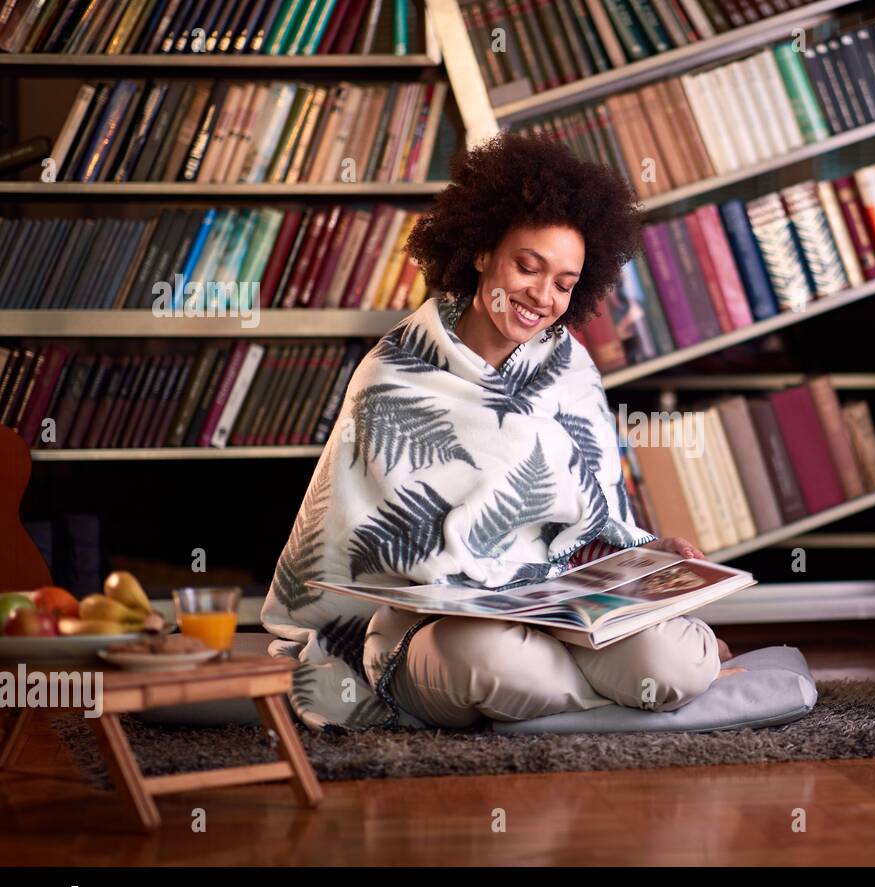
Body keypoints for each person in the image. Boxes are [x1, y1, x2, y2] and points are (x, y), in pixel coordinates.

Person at [261, 132, 737, 732]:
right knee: (501, 664)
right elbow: (362, 550)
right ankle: (621, 704)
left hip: (566, 611)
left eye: (564, 283)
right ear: (483, 252)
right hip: (440, 629)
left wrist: (644, 554)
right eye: (527, 266)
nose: (542, 296)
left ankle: (597, 697)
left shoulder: (572, 369)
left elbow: (589, 524)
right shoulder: (392, 374)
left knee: (672, 665)